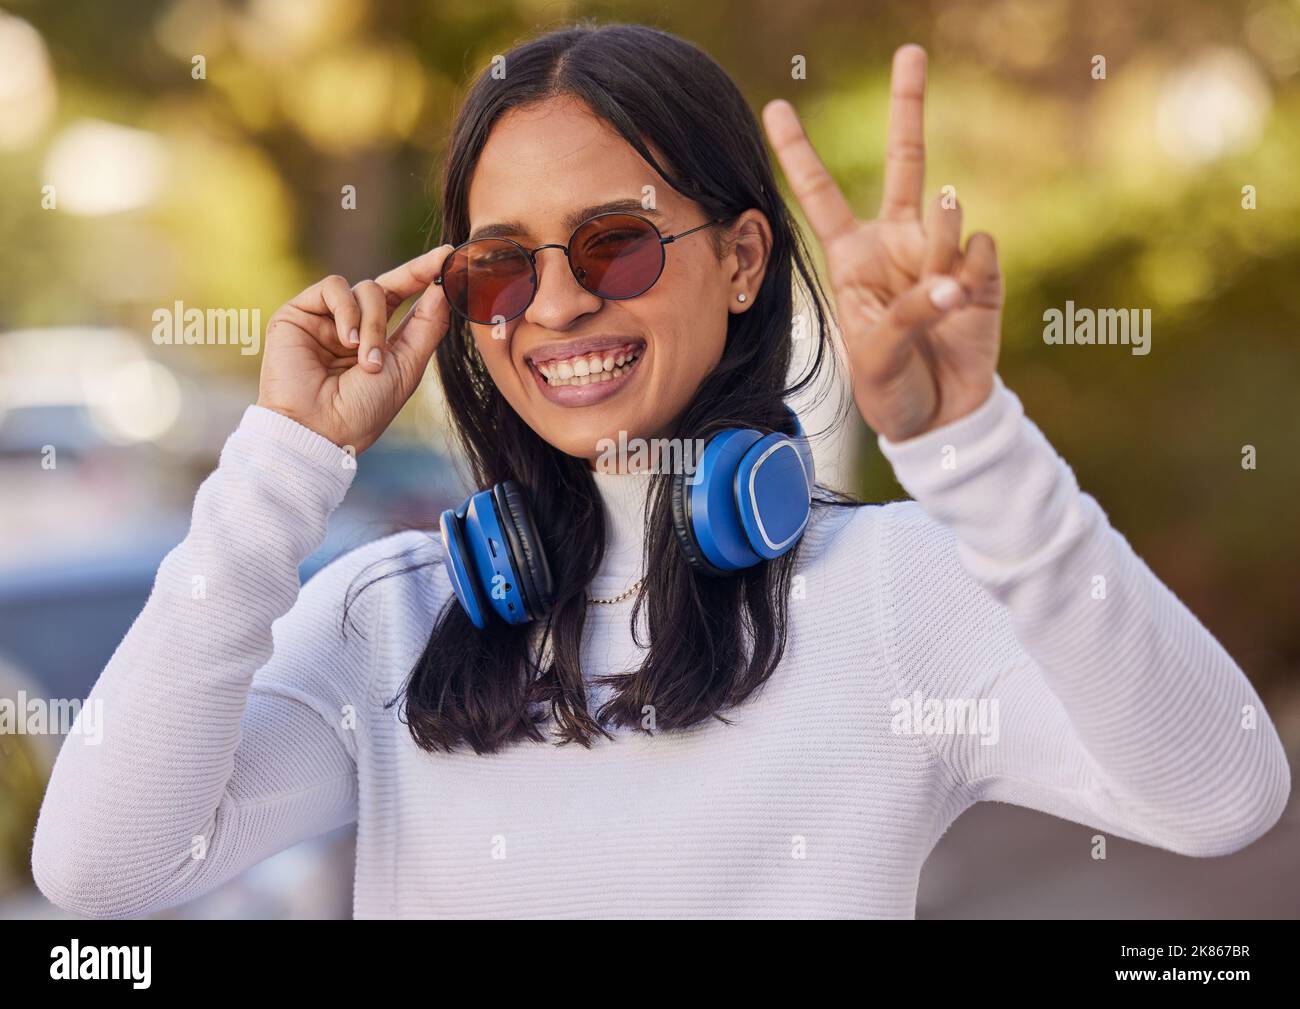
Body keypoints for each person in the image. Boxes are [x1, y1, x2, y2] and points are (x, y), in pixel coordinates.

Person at [31, 23, 1289, 919]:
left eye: (617, 245)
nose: (559, 304)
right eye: (502, 266)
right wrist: (283, 465)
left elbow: (1222, 793)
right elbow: (100, 872)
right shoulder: (392, 613)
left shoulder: (898, 591)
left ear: (744, 261)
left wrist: (973, 444)